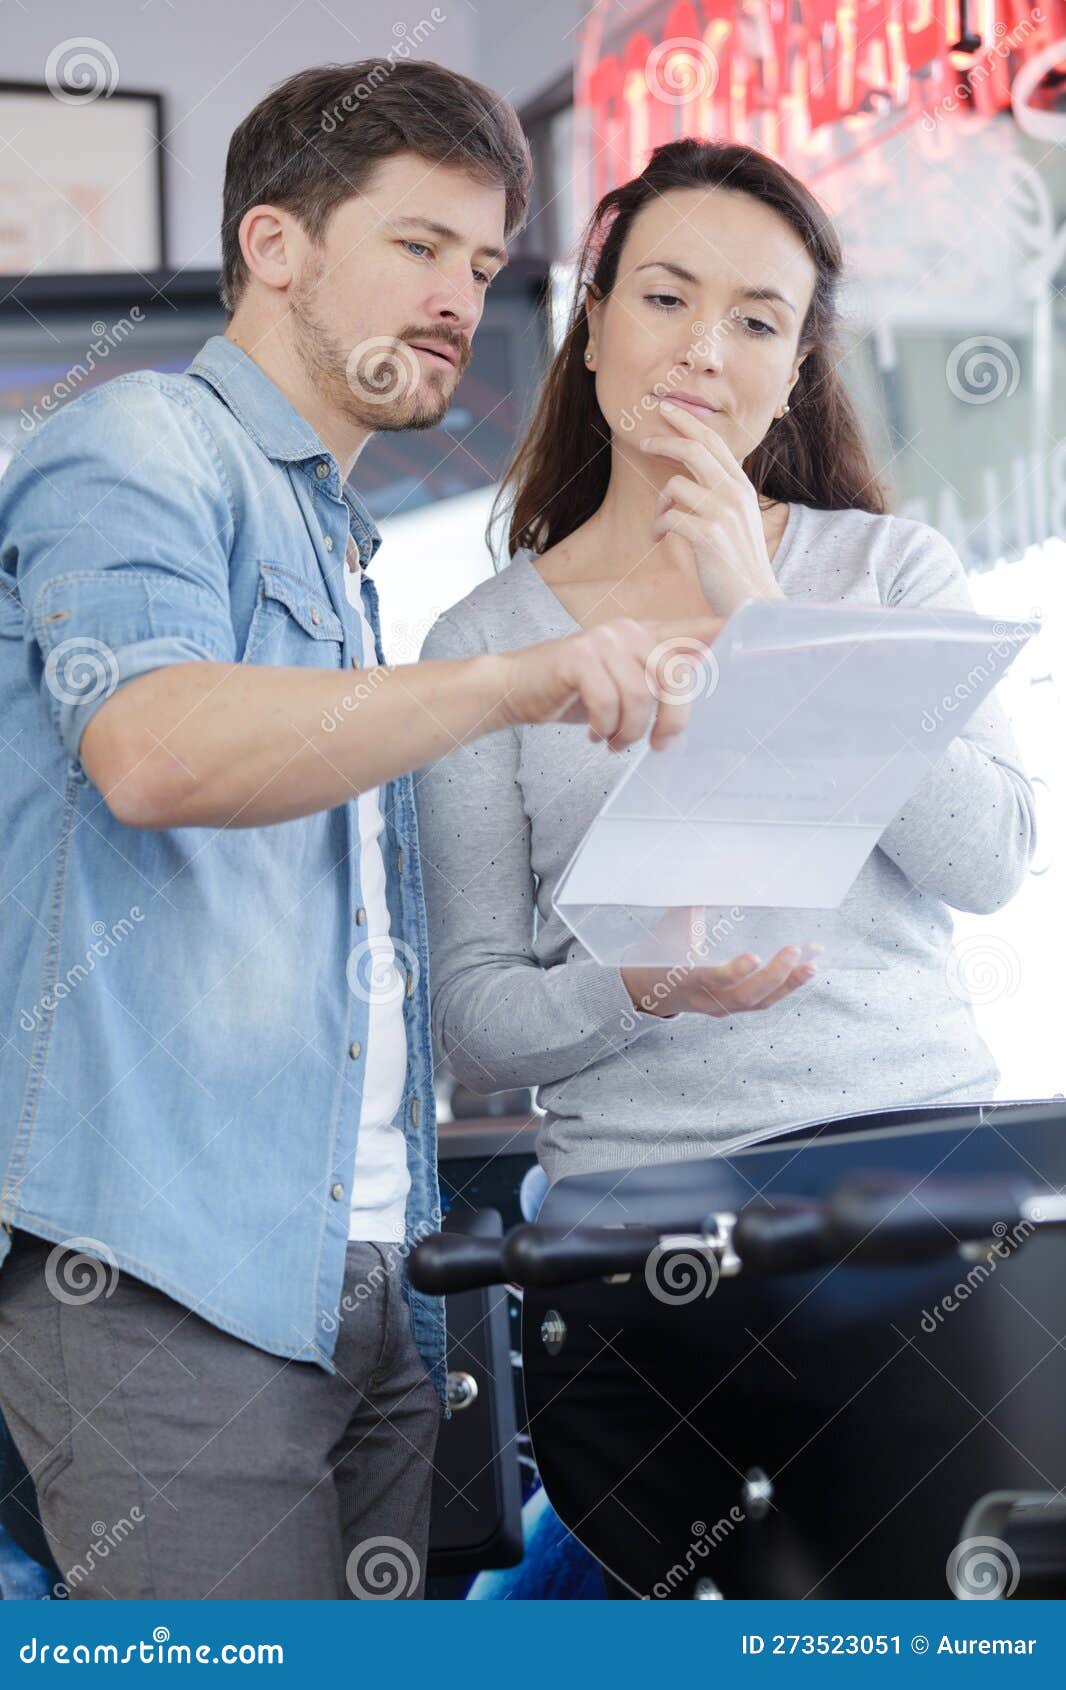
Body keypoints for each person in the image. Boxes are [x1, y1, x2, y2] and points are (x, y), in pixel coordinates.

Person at [0, 62, 723, 1601]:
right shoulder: (139, 443)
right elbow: (151, 750)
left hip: (380, 1281)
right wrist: (512, 679)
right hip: (168, 1276)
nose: (459, 296)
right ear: (273, 245)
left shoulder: (340, 549)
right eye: (416, 245)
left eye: (482, 262)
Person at [415, 137, 1036, 1191]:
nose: (704, 351)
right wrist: (636, 986)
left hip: (922, 1166)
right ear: (594, 328)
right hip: (641, 1194)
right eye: (666, 300)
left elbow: (990, 862)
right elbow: (469, 1025)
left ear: (792, 374)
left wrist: (769, 620)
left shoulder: (889, 569)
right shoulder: (485, 644)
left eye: (755, 322)